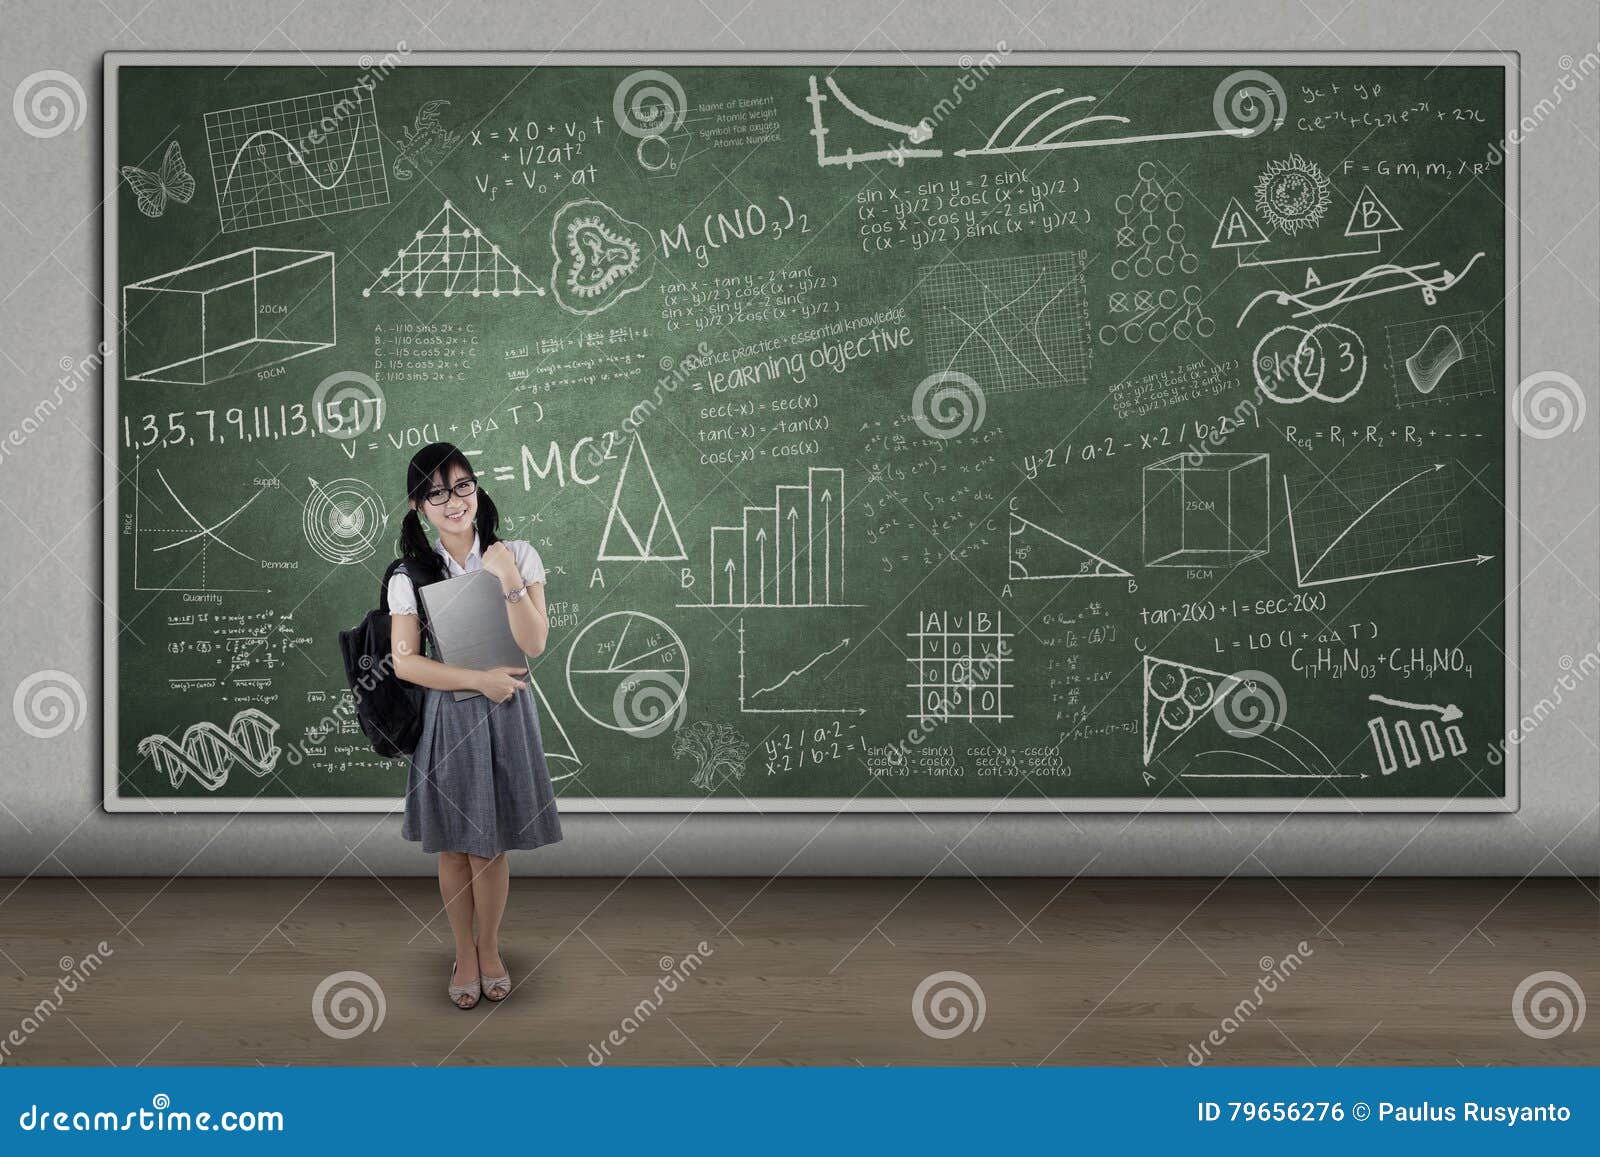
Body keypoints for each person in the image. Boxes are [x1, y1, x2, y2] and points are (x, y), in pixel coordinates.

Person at [386, 442, 563, 1009]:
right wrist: (476, 679)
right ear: (420, 507)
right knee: (456, 848)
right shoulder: (410, 574)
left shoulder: (519, 555)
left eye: (462, 485)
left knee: (491, 848)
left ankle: (490, 949)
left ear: (477, 488)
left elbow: (534, 643)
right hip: (449, 714)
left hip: (509, 710)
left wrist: (506, 573)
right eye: (437, 493)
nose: (453, 501)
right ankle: (463, 951)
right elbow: (406, 662)